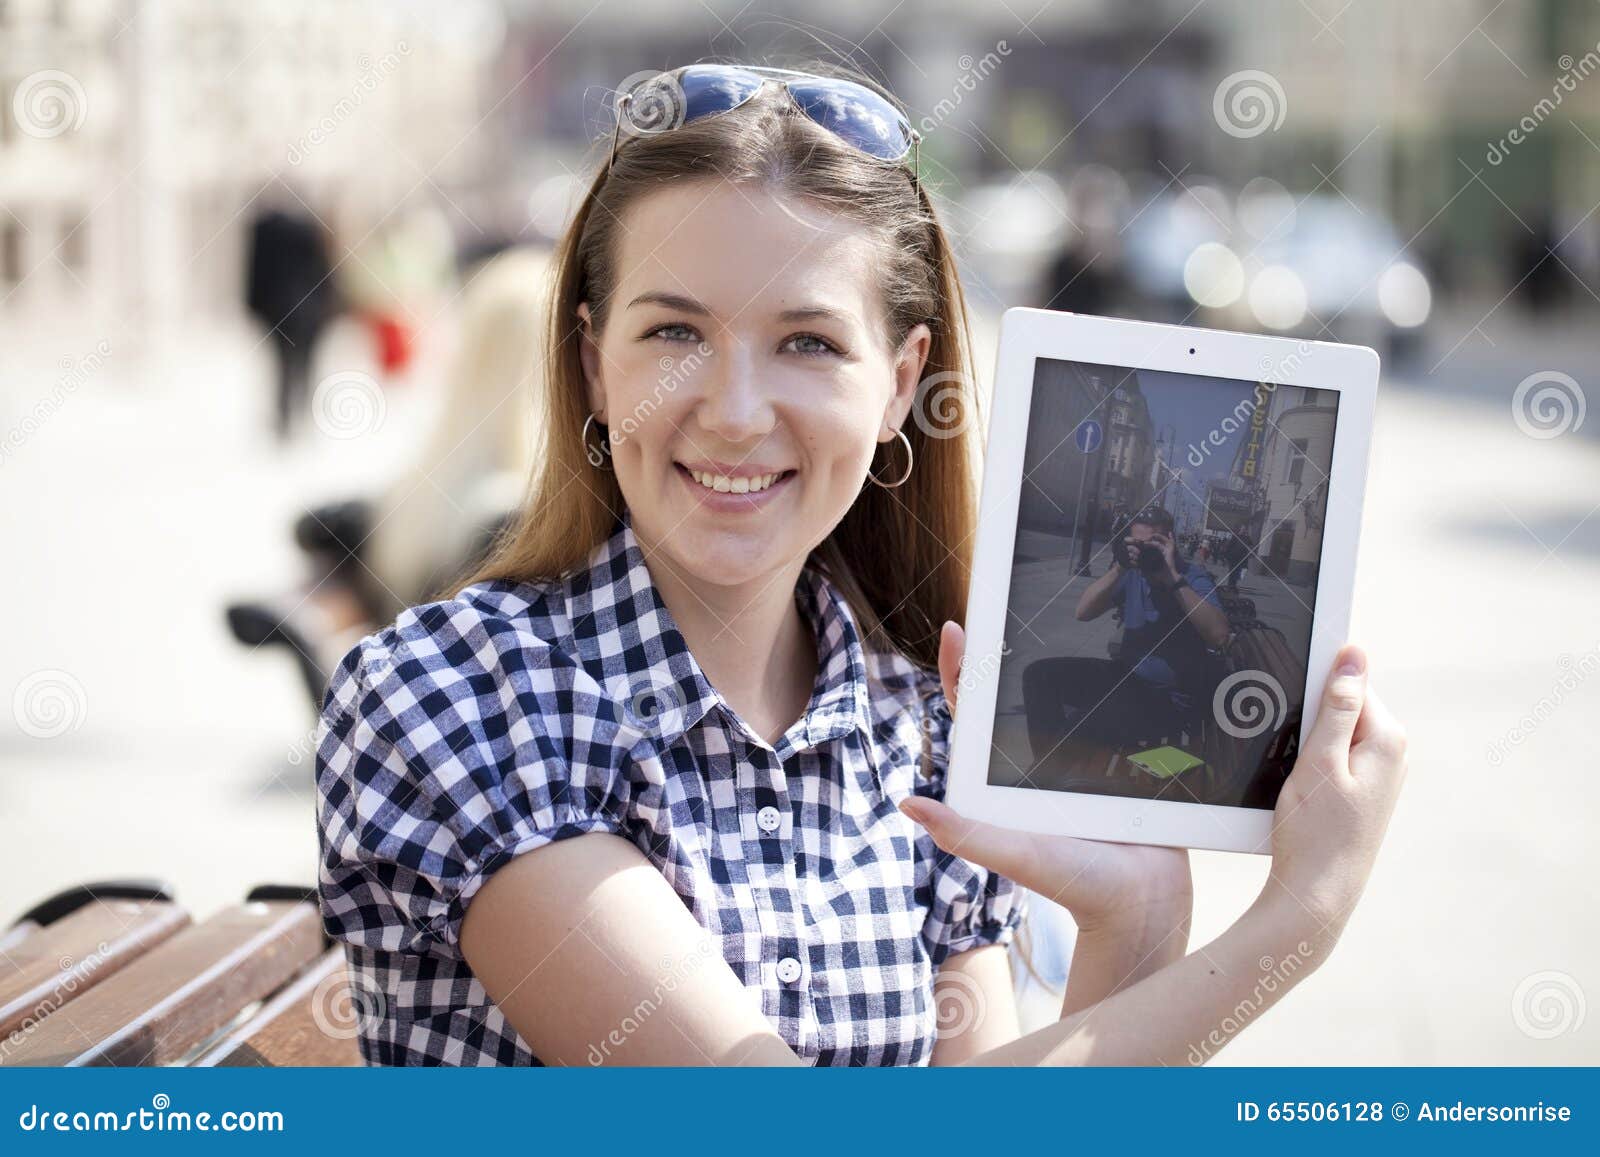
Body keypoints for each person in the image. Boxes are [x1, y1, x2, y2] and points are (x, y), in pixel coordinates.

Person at [313, 61, 1409, 1067]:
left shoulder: (924, 723)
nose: (735, 413)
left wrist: (1135, 919)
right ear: (594, 364)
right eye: (674, 333)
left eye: (808, 342)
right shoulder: (456, 695)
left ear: (899, 384)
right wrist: (1294, 921)